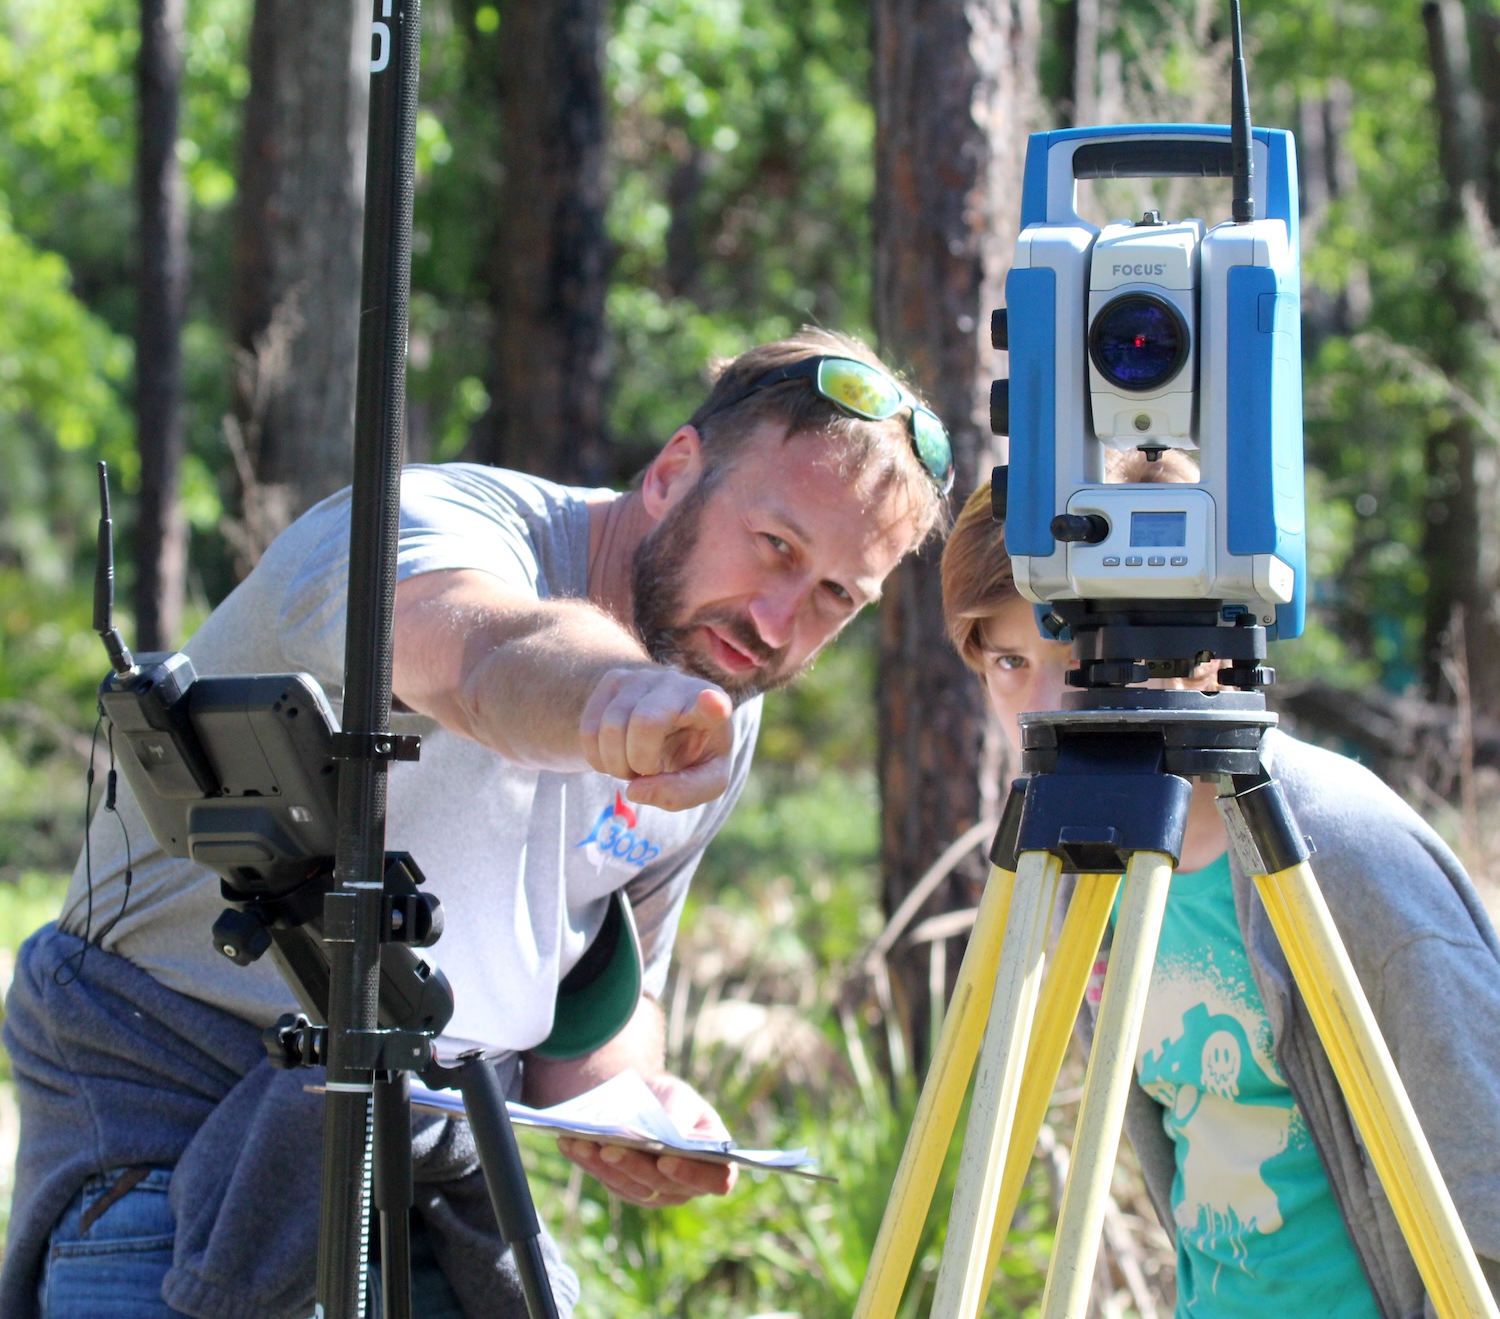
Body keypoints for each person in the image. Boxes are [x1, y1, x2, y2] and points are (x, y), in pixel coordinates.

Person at [2, 328, 951, 1319]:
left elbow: (600, 984)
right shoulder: (428, 527)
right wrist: (614, 694)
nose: (778, 621)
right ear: (674, 472)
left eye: (835, 596)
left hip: (435, 1165)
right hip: (176, 1117)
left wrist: (637, 1104)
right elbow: (485, 656)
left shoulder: (721, 686)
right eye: (775, 547)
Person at [940, 453, 1500, 1316]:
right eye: (1011, 662)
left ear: (1189, 641)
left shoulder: (1341, 846)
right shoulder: (1084, 861)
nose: (1046, 704)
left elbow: (1485, 1167)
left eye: (1078, 654)